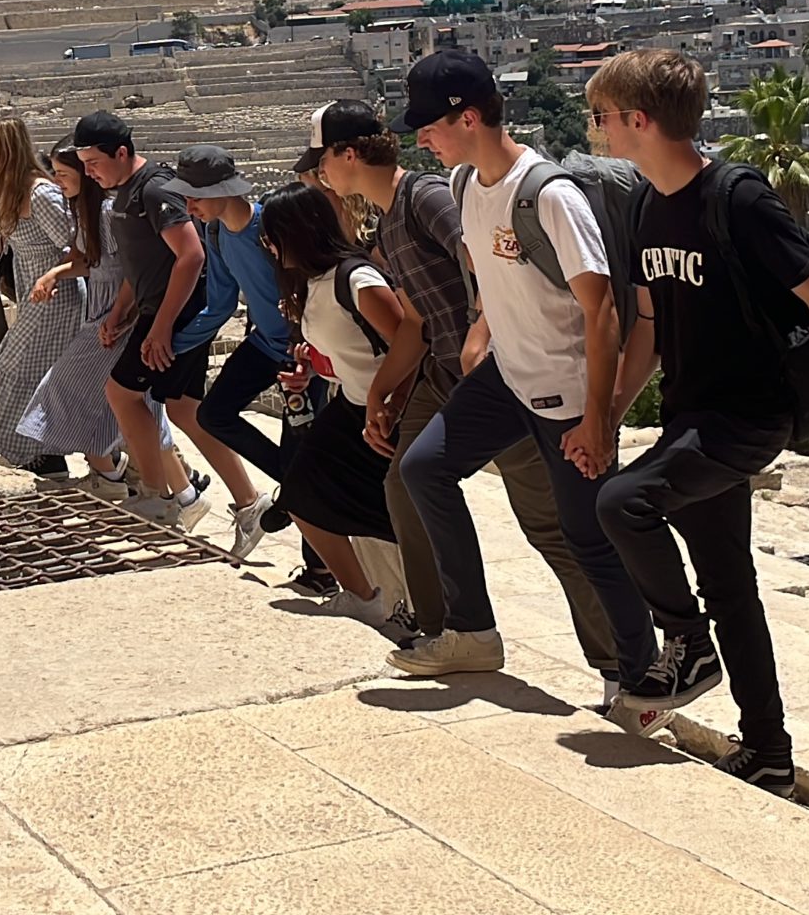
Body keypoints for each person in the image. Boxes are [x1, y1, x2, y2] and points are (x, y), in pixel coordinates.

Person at [588, 49, 809, 796]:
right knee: (731, 587)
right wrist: (609, 415)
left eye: (604, 117)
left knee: (622, 503)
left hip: (750, 417)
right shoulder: (645, 204)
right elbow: (646, 327)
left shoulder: (737, 197)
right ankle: (769, 753)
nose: (597, 130)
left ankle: (687, 644)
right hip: (689, 416)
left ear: (640, 121)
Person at [309, 99, 627, 687]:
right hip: (449, 374)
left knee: (551, 528)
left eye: (321, 160)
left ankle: (619, 663)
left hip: (504, 375)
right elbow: (416, 321)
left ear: (347, 155)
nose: (318, 174)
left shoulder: (427, 196)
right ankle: (452, 629)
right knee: (409, 479)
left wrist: (483, 329)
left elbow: (488, 265)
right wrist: (385, 392)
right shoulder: (388, 219)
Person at [385, 49, 657, 682]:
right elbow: (489, 275)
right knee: (424, 468)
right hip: (508, 377)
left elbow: (603, 312)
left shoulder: (548, 195)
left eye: (429, 125)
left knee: (587, 540)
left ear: (470, 117)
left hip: (566, 394)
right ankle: (472, 632)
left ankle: (637, 678)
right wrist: (482, 327)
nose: (421, 139)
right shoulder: (463, 186)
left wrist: (600, 418)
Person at [259, 181, 412, 631]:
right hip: (352, 405)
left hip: (388, 411)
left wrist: (390, 403)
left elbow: (410, 340)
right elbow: (349, 349)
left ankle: (426, 609)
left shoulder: (357, 280)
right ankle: (363, 597)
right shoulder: (310, 284)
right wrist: (313, 368)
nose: (268, 247)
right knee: (301, 496)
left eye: (273, 236)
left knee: (394, 513)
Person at [72, 111, 213, 527]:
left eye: (94, 163)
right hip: (152, 310)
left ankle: (159, 494)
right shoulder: (125, 193)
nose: (89, 173)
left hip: (177, 310)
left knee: (127, 394)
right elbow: (140, 264)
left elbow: (191, 256)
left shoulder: (154, 190)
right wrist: (119, 313)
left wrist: (162, 325)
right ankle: (176, 494)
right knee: (164, 404)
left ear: (121, 152)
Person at [19, 136, 173, 483]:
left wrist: (119, 314)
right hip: (103, 311)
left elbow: (130, 269)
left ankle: (126, 480)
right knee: (127, 403)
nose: (56, 181)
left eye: (63, 173)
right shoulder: (87, 211)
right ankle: (174, 489)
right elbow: (90, 261)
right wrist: (56, 273)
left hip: (117, 315)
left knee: (67, 388)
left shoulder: (105, 212)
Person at [163, 147, 290, 555]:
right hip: (264, 345)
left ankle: (298, 490)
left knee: (301, 443)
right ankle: (296, 484)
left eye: (195, 196)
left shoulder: (272, 227)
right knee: (213, 414)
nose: (189, 206)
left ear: (222, 190)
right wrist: (170, 346)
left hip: (301, 350)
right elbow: (219, 304)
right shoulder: (215, 233)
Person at [0, 118, 81, 474]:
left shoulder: (40, 194)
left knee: (23, 374)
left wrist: (52, 276)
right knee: (14, 372)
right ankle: (40, 455)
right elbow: (8, 237)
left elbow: (74, 245)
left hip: (56, 298)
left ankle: (42, 456)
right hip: (33, 294)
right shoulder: (10, 191)